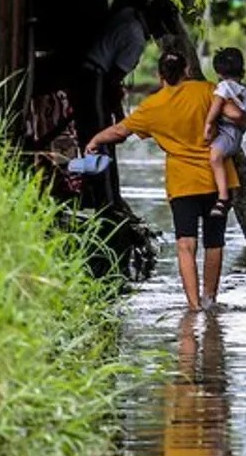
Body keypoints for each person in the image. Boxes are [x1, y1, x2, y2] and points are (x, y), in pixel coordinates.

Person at [85, 50, 237, 312]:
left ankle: (193, 306)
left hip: (183, 183)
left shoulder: (152, 106)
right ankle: (210, 299)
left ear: (159, 75)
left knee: (185, 243)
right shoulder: (207, 90)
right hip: (218, 178)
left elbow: (121, 131)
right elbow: (234, 113)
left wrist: (95, 140)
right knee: (215, 242)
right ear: (187, 70)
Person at [70, 0, 181, 209]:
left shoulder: (128, 12)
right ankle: (104, 202)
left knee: (90, 137)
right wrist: (120, 119)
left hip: (86, 73)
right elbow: (112, 83)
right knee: (99, 139)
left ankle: (91, 194)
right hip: (93, 78)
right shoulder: (136, 39)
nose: (159, 35)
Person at [203, 47, 246, 217]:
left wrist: (208, 123)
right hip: (237, 133)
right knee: (217, 157)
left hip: (227, 131)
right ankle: (223, 196)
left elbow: (217, 104)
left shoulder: (224, 86)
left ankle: (222, 197)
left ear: (219, 72)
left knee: (215, 157)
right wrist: (244, 119)